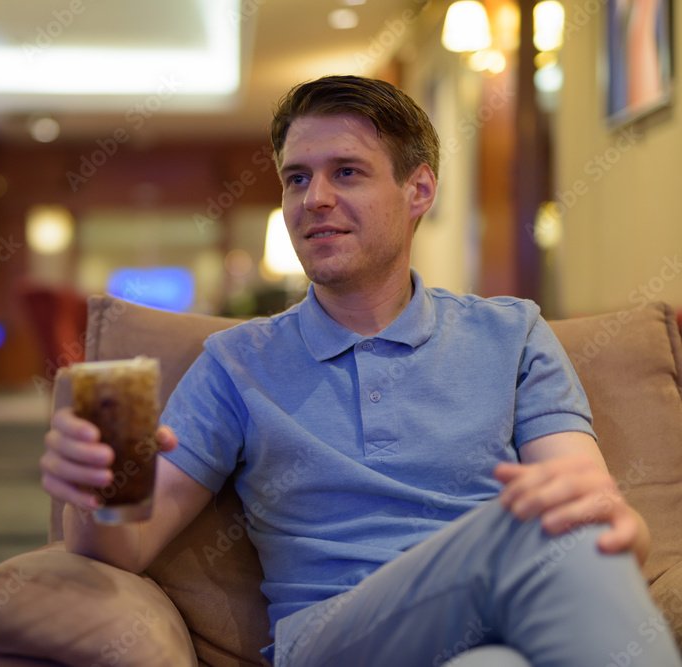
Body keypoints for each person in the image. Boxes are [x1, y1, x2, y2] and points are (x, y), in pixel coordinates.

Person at [40, 75, 682, 666]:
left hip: (488, 632)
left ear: (419, 190)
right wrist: (97, 493)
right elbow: (120, 550)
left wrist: (611, 525)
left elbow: (582, 498)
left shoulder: (512, 335)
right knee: (534, 531)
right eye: (296, 179)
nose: (313, 199)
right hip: (335, 639)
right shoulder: (239, 362)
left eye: (346, 172)